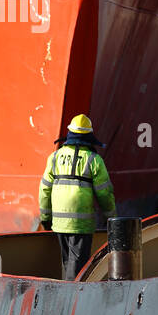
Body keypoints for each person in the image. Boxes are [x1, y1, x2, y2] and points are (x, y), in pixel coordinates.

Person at [38, 114, 116, 280]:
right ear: (89, 136)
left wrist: (45, 217)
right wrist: (111, 218)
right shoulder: (94, 160)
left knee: (67, 262)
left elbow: (44, 190)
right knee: (78, 265)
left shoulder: (55, 158)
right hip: (81, 223)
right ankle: (74, 298)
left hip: (59, 222)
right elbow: (105, 193)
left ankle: (67, 293)